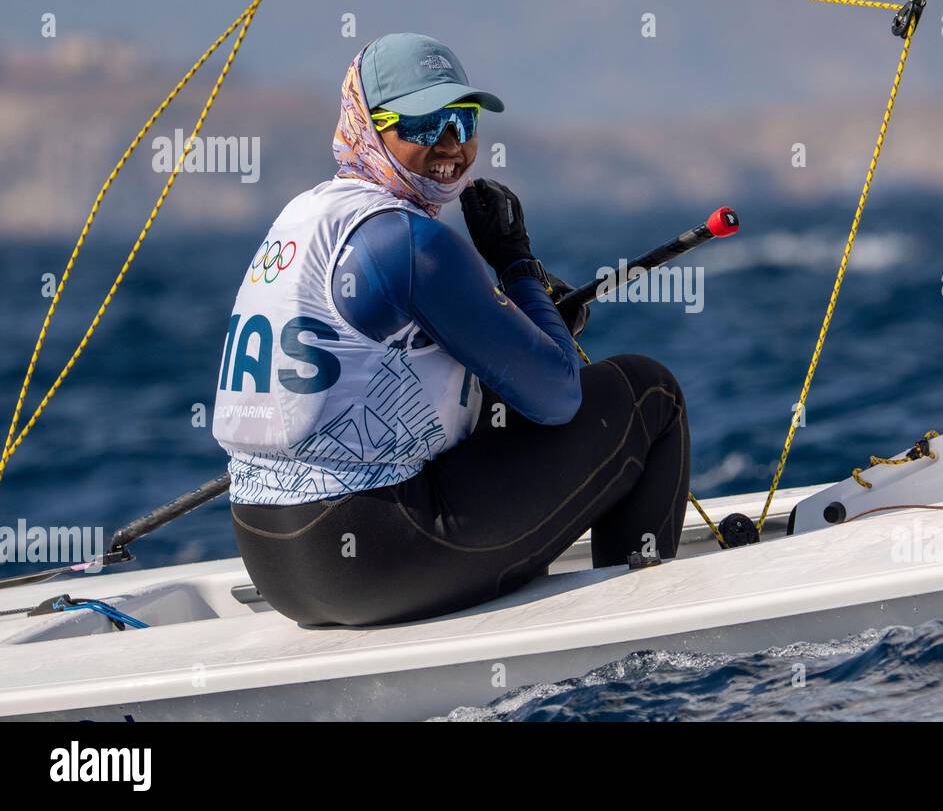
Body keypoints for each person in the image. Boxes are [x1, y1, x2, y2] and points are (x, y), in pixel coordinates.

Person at [212, 33, 690, 627]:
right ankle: (637, 641)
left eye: (462, 123)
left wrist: (525, 318)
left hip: (277, 564)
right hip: (376, 560)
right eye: (422, 125)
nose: (450, 147)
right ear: (368, 126)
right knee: (649, 392)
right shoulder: (411, 241)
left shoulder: (306, 216)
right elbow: (558, 395)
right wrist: (516, 263)